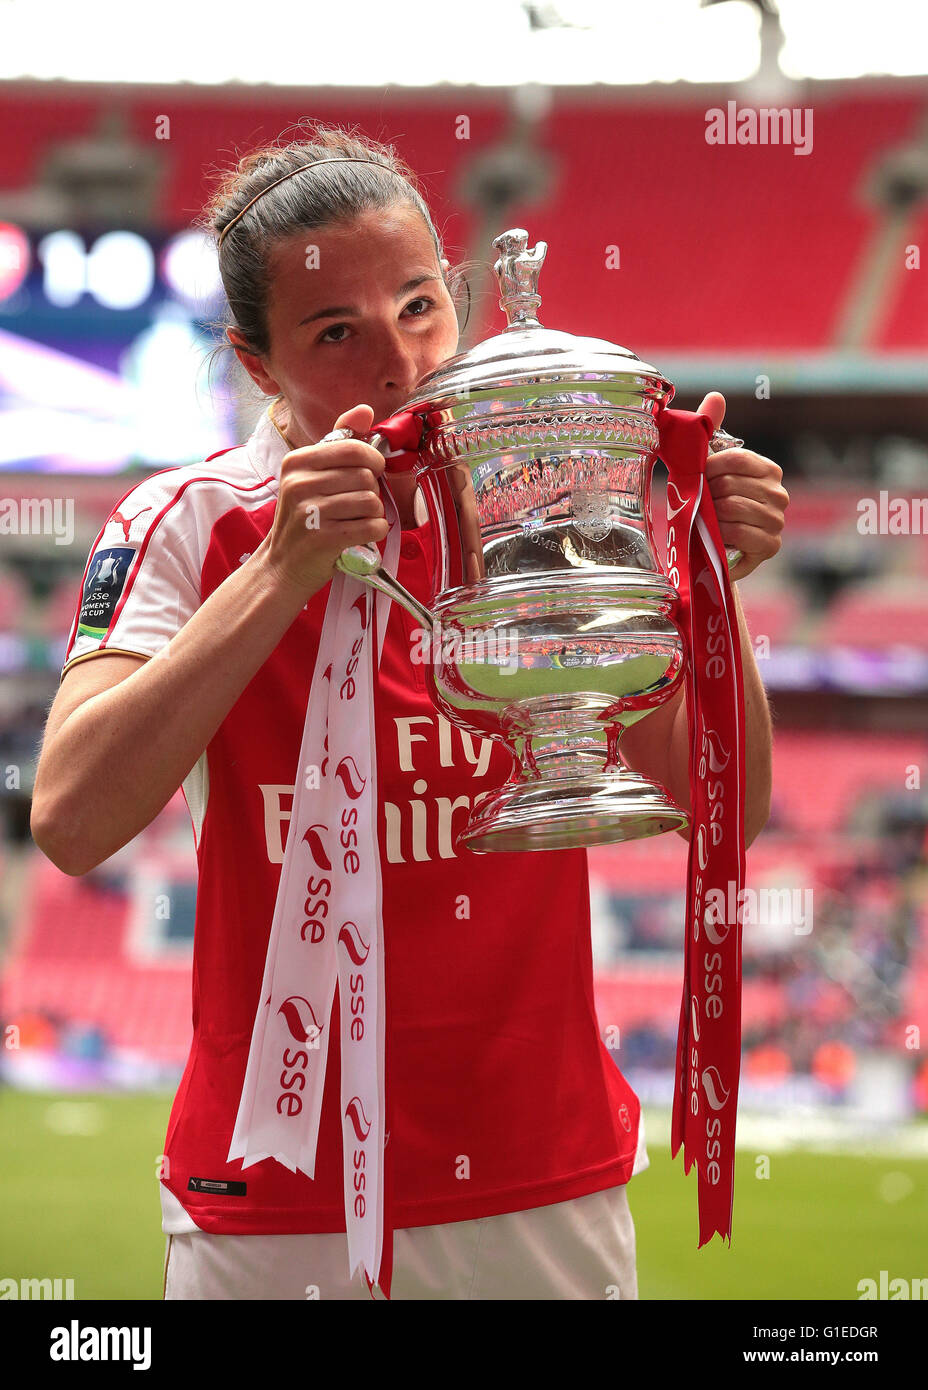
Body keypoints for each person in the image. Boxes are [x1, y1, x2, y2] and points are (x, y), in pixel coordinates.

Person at [29, 122, 787, 1300]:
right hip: (274, 1194)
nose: (399, 364)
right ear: (258, 360)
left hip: (542, 1181)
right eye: (336, 333)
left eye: (421, 307)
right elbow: (72, 817)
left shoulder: (551, 505)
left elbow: (717, 805)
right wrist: (279, 569)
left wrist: (710, 584)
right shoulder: (187, 521)